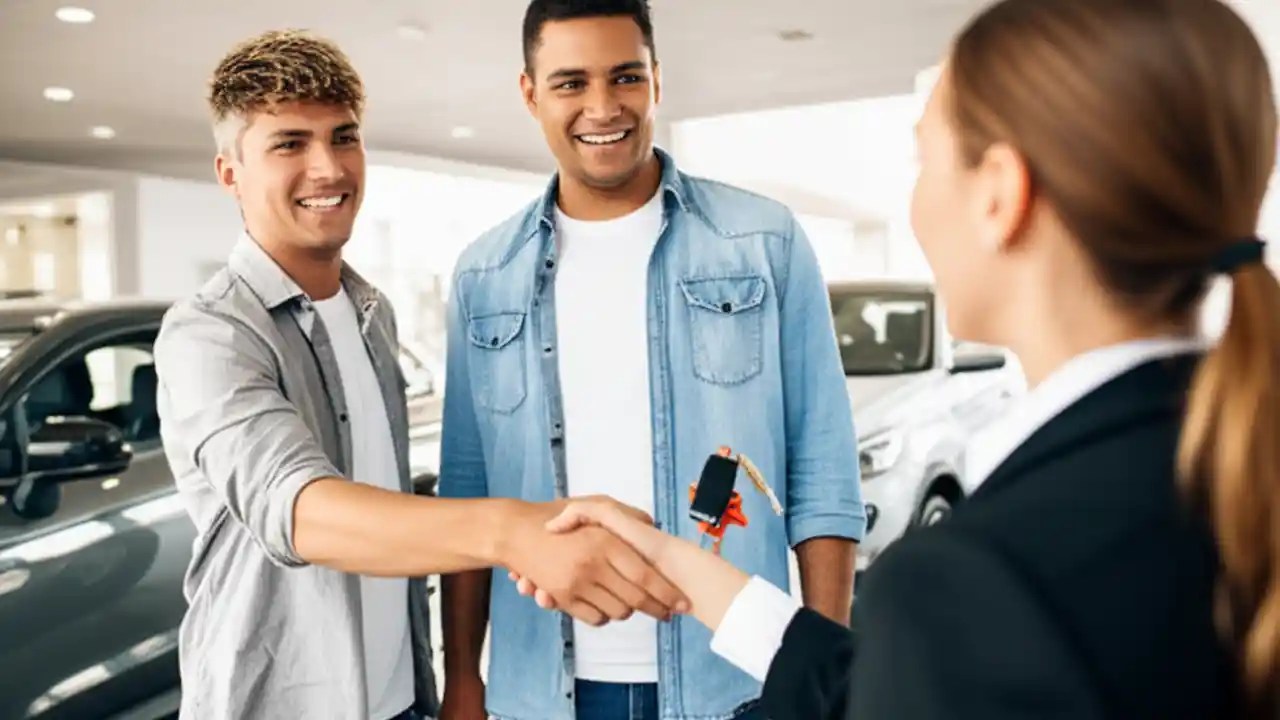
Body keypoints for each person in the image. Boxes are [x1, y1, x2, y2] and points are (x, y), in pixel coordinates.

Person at [517, 0, 1280, 717]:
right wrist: (675, 563)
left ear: (1000, 195)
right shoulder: (1233, 476)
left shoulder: (967, 583)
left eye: (926, 158)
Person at [154, 29, 684, 720]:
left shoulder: (372, 315)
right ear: (230, 173)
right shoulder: (209, 331)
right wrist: (514, 532)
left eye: (343, 137)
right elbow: (299, 510)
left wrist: (454, 678)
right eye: (290, 143)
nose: (327, 168)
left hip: (403, 701)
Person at [436, 0, 866, 718]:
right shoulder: (485, 275)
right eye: (571, 82)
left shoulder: (762, 241)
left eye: (625, 77)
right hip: (542, 689)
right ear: (530, 93)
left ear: (657, 82)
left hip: (733, 684)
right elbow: (468, 491)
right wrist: (462, 679)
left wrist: (825, 679)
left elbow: (821, 467)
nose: (603, 107)